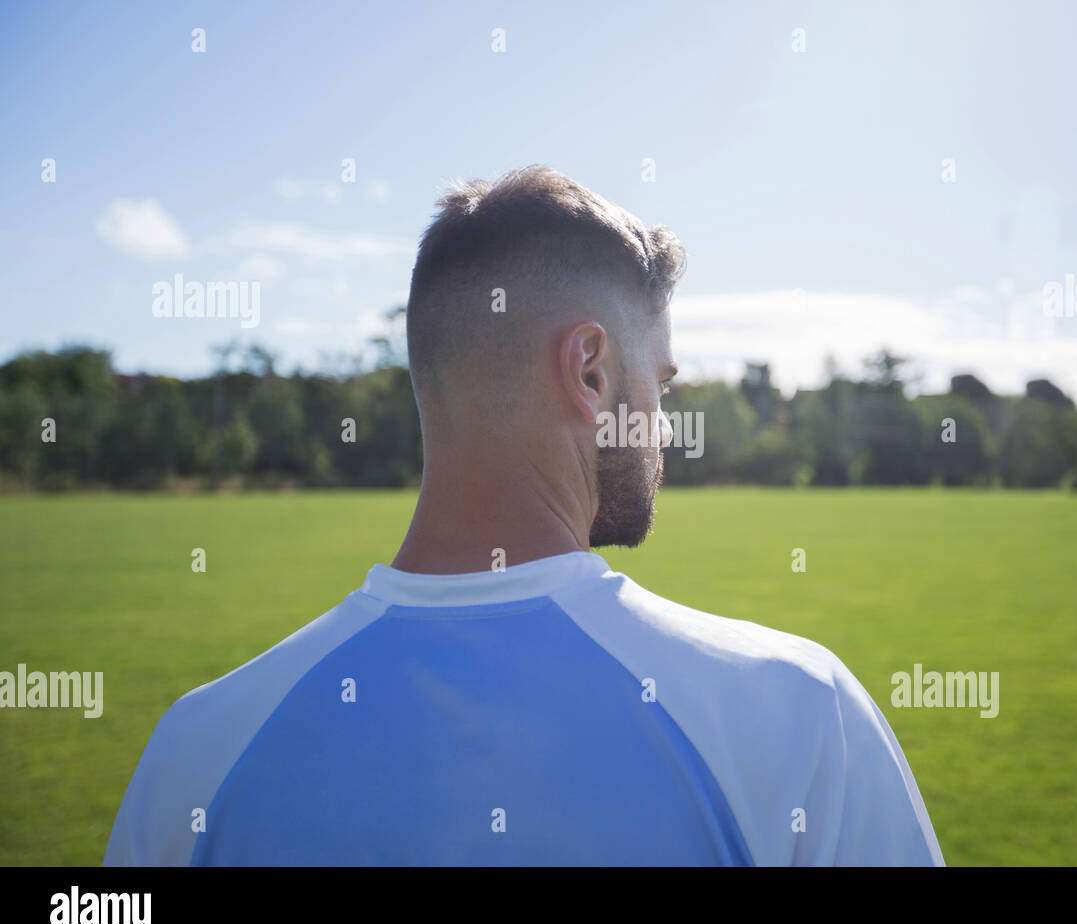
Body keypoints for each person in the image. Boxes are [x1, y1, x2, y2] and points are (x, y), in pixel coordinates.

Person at [104, 166, 943, 866]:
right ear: (590, 371)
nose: (662, 428)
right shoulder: (795, 716)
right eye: (663, 382)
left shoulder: (196, 752)